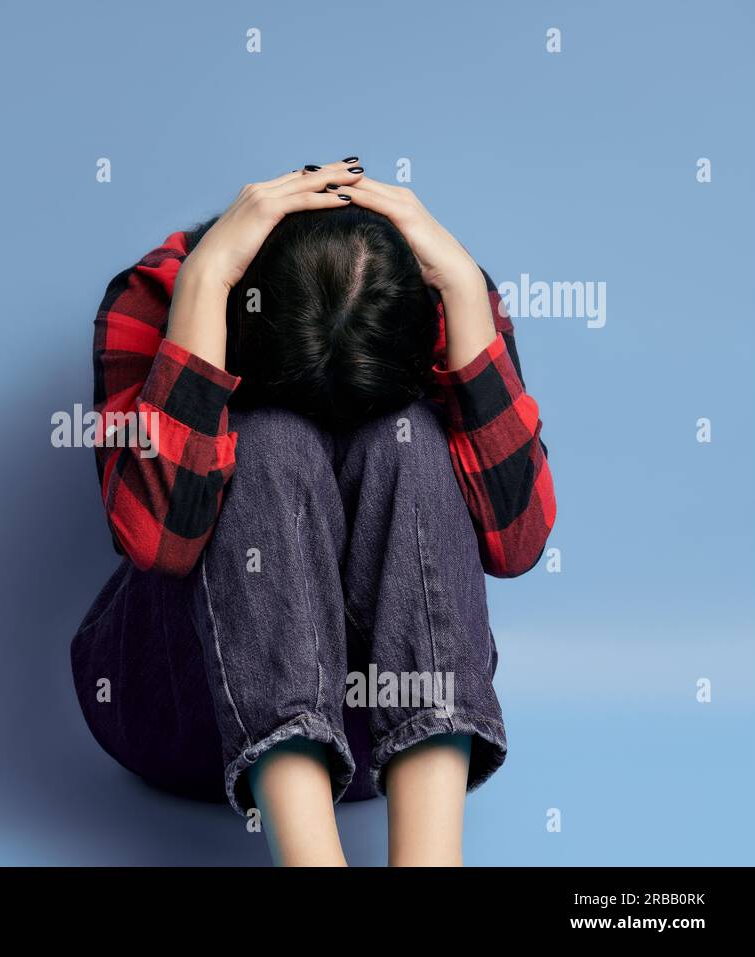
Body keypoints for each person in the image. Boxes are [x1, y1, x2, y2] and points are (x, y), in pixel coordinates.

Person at [70, 158, 556, 866]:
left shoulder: (442, 294)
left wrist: (461, 287)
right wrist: (205, 287)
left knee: (411, 438)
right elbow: (162, 542)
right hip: (179, 711)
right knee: (267, 440)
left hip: (366, 737)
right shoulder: (159, 292)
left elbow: (517, 543)